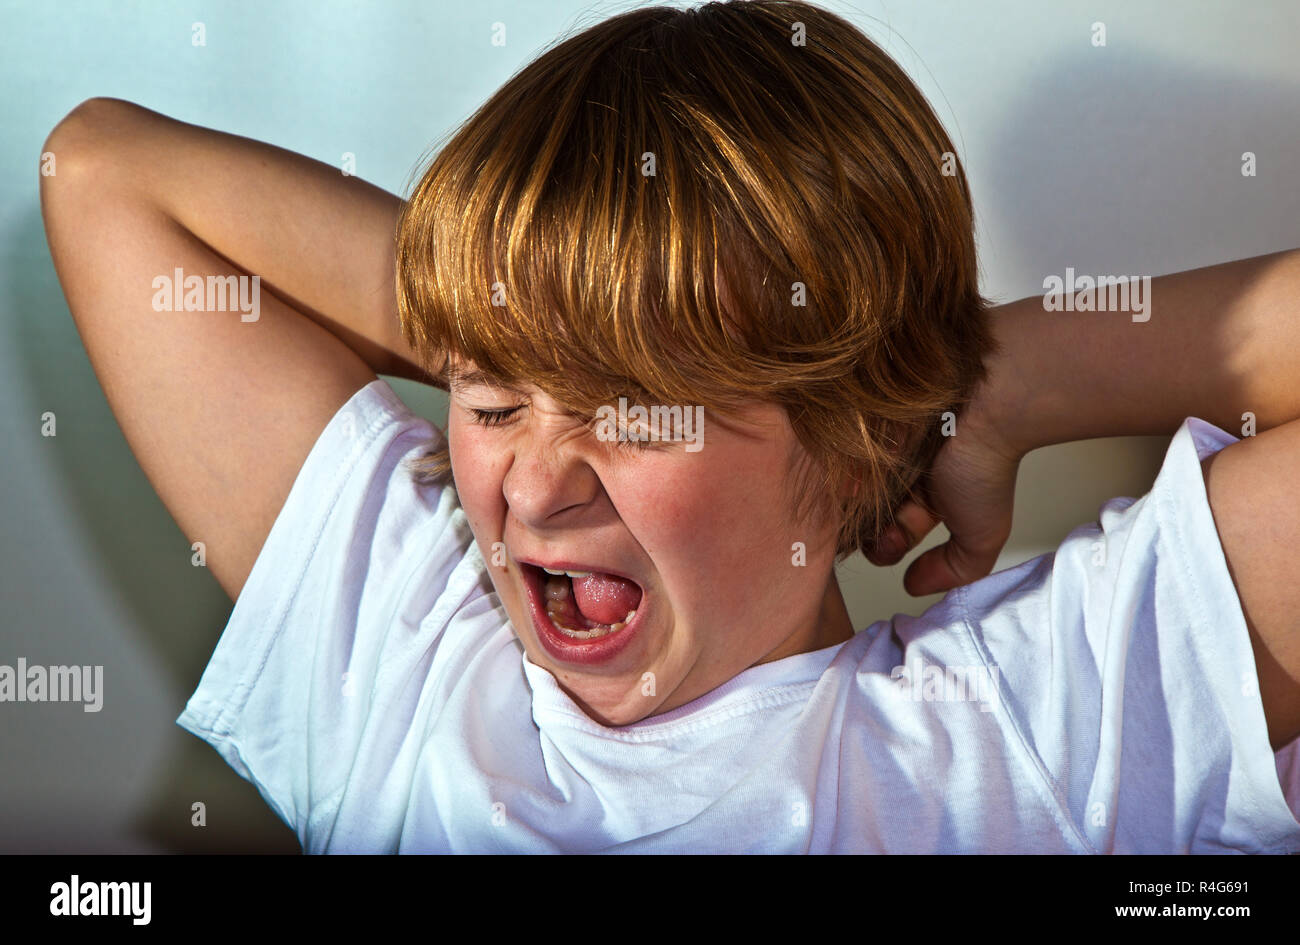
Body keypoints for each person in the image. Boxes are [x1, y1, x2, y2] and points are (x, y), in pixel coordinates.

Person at [39, 0, 1300, 852]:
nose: (528, 491)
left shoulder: (1031, 731)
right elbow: (102, 171)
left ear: (854, 440)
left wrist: (1001, 380)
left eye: (630, 412)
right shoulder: (407, 667)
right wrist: (523, 309)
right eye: (488, 399)